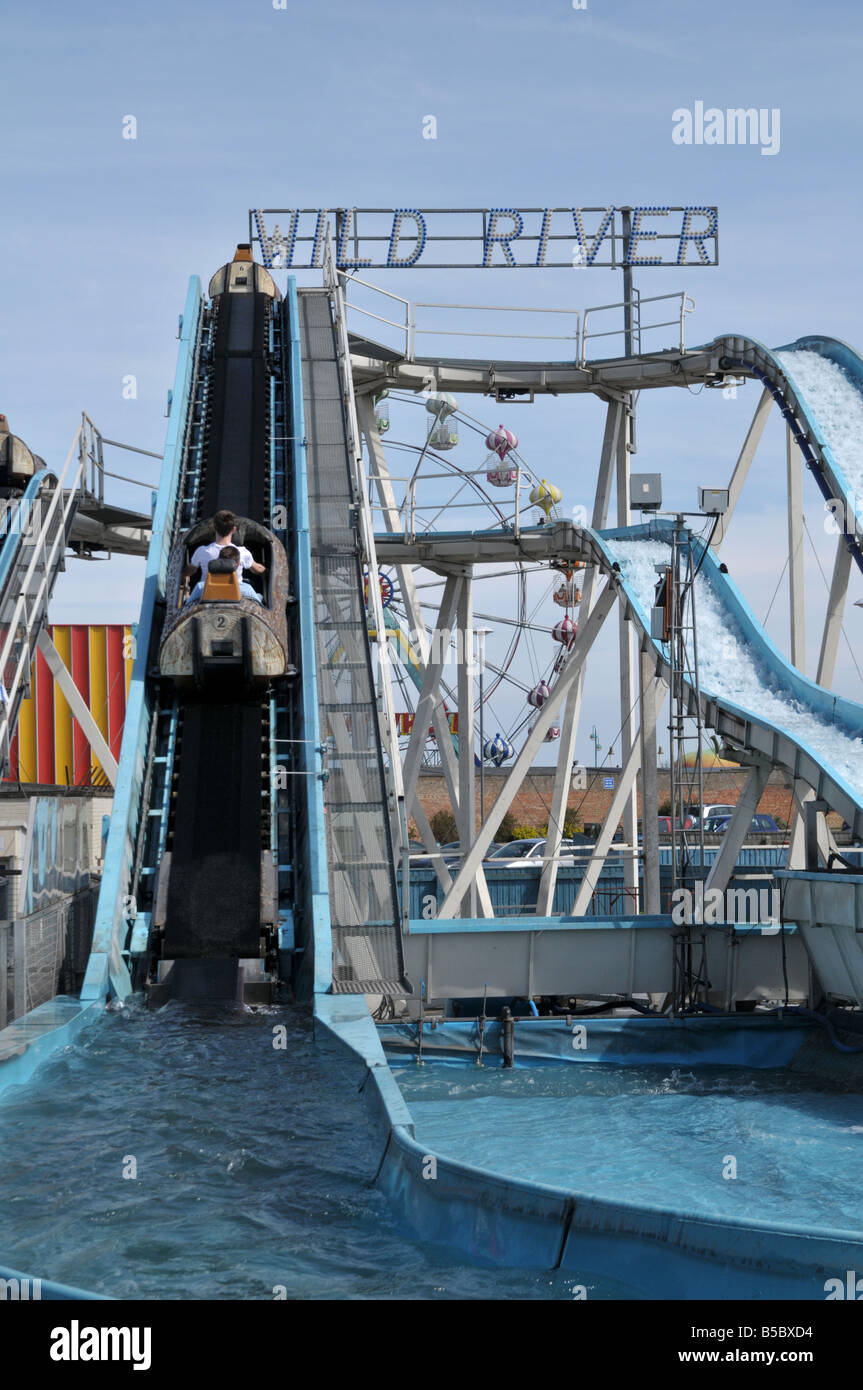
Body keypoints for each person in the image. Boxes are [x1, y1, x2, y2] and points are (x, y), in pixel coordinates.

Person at [182, 509, 266, 586]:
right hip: (235, 591)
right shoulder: (242, 552)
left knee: (188, 600)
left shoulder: (202, 551)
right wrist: (268, 571)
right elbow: (257, 569)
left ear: (214, 528)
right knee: (259, 597)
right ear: (233, 529)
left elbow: (191, 570)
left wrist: (183, 574)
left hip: (207, 591)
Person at [184, 546, 262, 605]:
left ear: (219, 561)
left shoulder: (200, 587)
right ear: (237, 564)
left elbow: (187, 606)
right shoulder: (247, 589)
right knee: (259, 597)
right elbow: (259, 608)